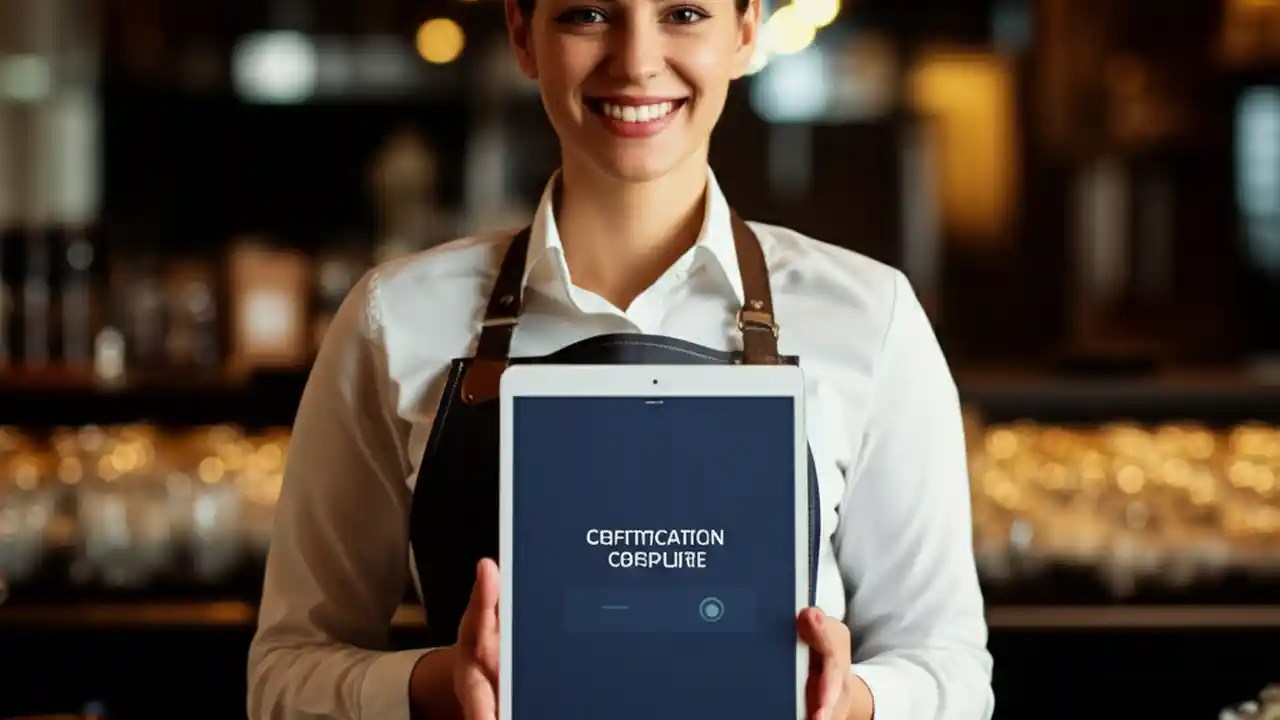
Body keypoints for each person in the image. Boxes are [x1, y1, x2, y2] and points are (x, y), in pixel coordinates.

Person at [246, 0, 995, 717]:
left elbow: (949, 671)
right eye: (589, 14)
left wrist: (850, 701)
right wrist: (438, 684)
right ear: (522, 34)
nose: (637, 62)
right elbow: (283, 677)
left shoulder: (870, 316)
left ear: (744, 33)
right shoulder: (396, 318)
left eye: (684, 15)